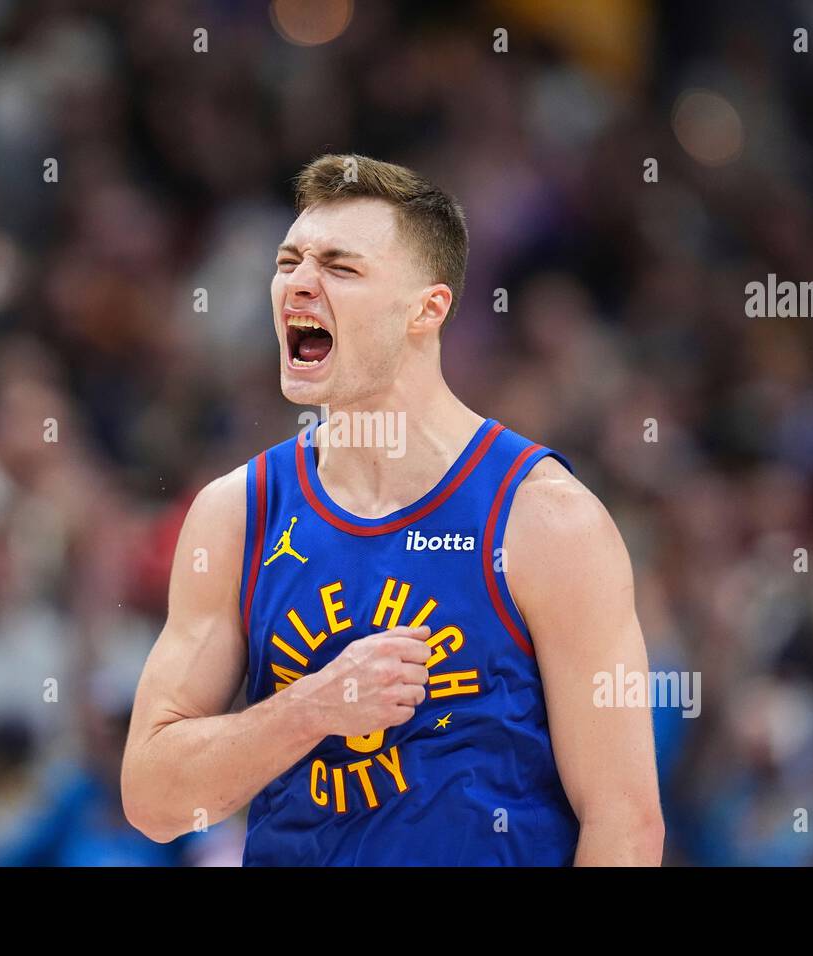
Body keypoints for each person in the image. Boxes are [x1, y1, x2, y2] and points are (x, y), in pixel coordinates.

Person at [121, 154, 663, 865]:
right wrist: (312, 708)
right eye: (289, 262)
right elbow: (154, 799)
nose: (299, 284)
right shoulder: (237, 514)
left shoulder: (544, 519)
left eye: (341, 268)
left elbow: (625, 823)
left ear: (427, 308)